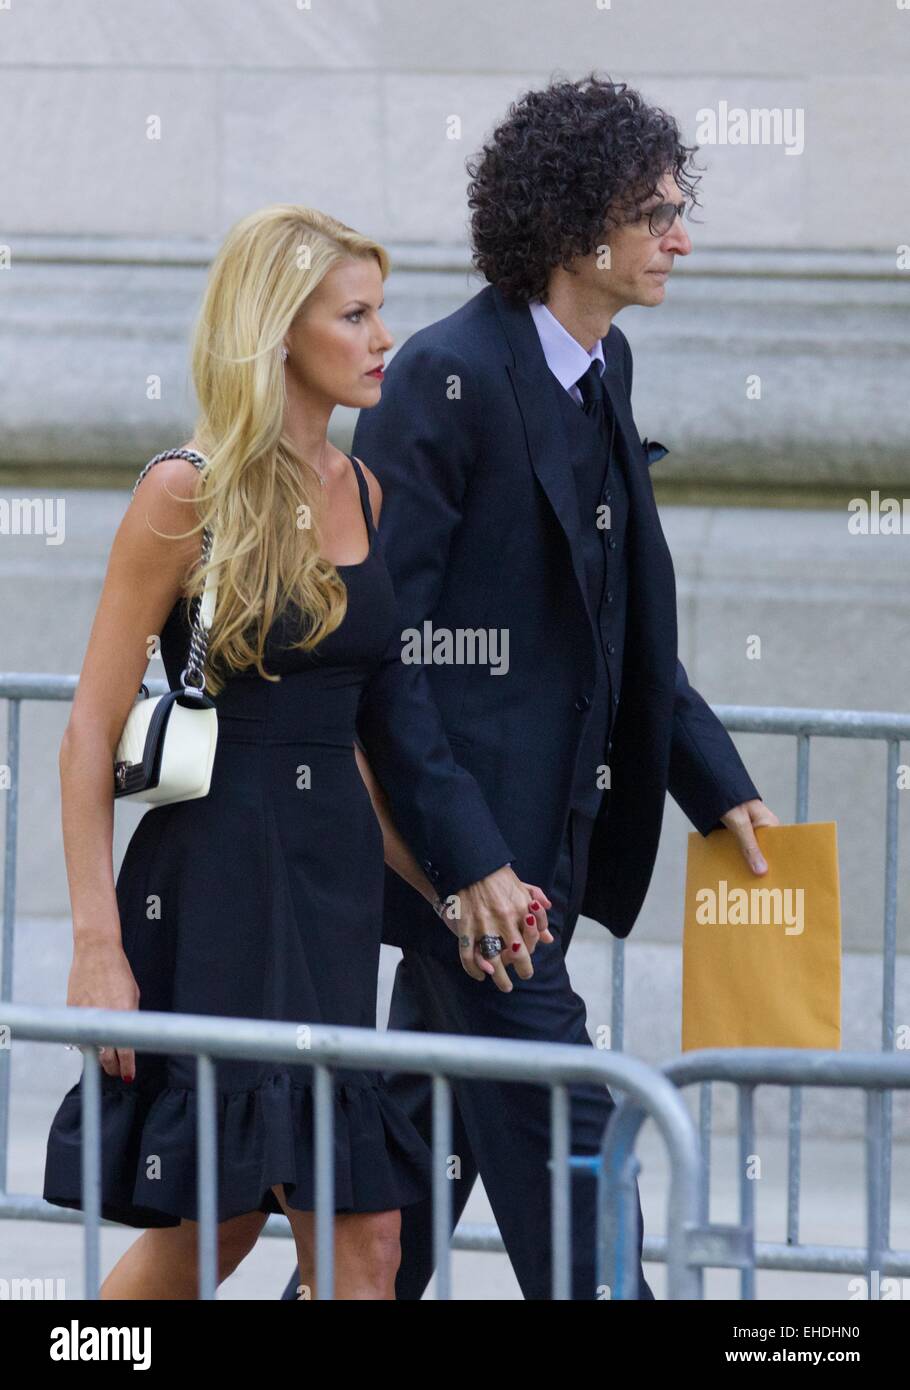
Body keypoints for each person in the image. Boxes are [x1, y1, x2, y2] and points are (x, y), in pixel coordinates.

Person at [275, 74, 781, 1302]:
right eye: (655, 212)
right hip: (478, 877)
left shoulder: (598, 371)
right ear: (574, 229)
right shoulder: (446, 379)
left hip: (531, 853)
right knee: (582, 1183)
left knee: (386, 1226)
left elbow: (617, 624)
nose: (681, 237)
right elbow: (377, 655)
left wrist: (712, 782)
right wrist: (463, 867)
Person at [42, 203, 550, 1300]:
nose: (383, 340)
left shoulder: (364, 490)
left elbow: (378, 738)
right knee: (284, 1233)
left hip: (325, 902)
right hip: (210, 890)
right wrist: (97, 946)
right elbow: (88, 726)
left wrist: (454, 889)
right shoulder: (186, 492)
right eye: (355, 314)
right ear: (278, 331)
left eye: (382, 311)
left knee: (287, 1234)